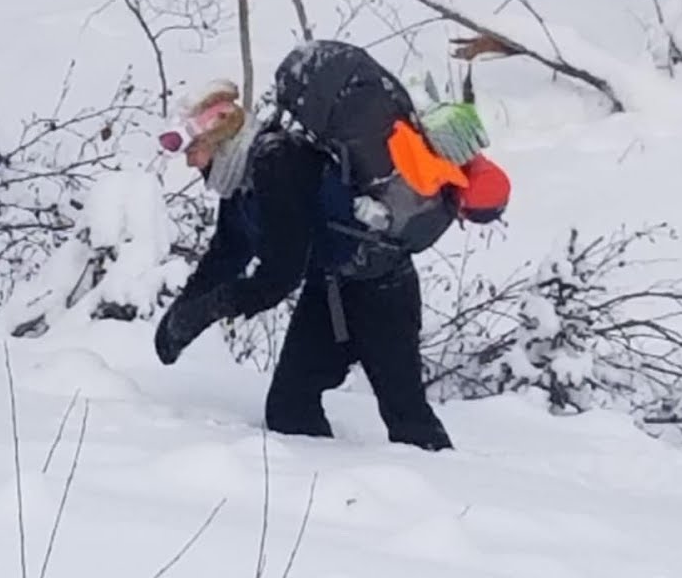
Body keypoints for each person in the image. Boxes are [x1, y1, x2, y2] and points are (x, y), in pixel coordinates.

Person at [151, 45, 455, 452]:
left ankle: (449, 500)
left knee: (408, 420)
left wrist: (204, 312)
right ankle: (322, 498)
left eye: (193, 150)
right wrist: (180, 316)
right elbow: (228, 252)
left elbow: (279, 276)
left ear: (219, 137)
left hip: (382, 288)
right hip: (330, 291)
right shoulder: (242, 177)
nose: (190, 163)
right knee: (290, 411)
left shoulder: (277, 163)